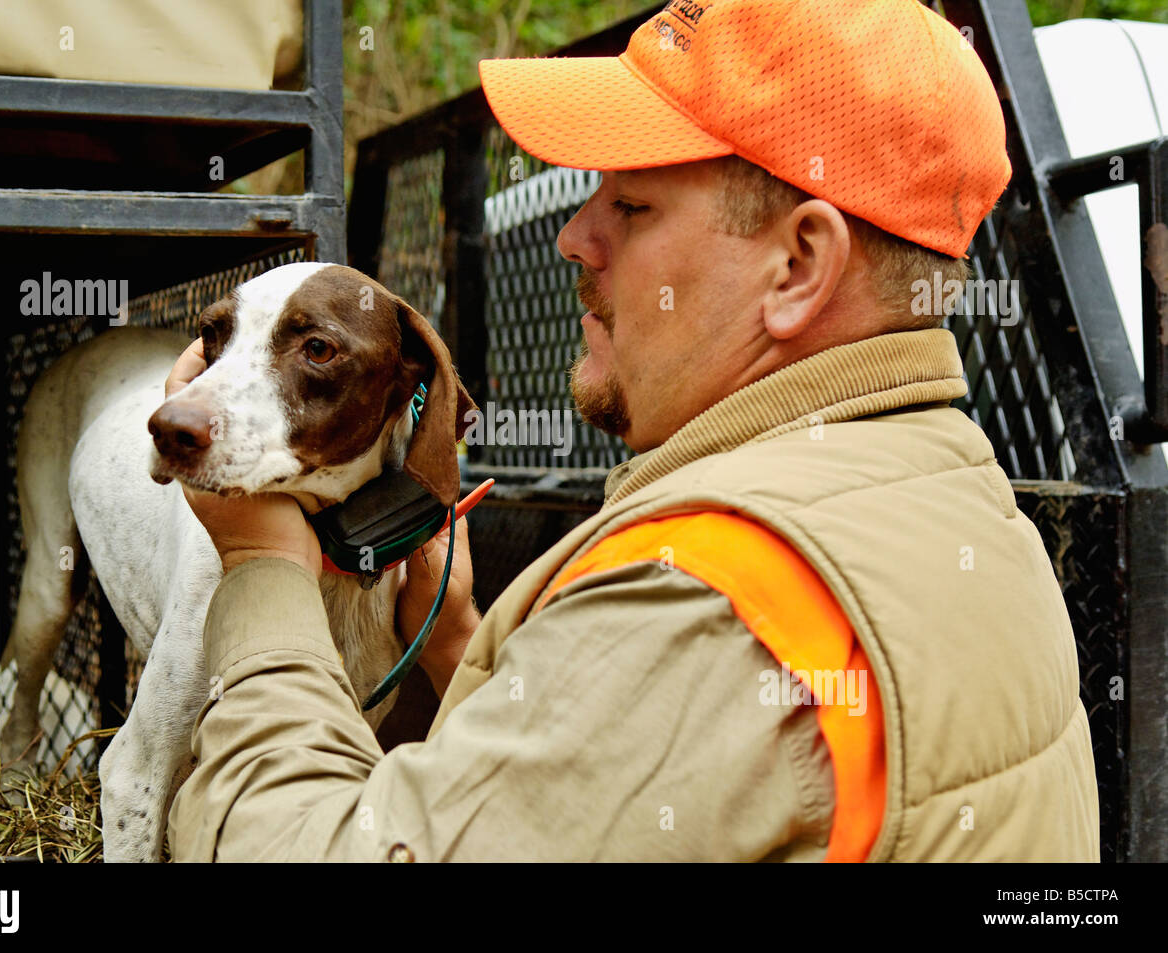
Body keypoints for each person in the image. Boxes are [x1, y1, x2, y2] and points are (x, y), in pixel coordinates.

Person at [165, 0, 1100, 861]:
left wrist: (262, 574)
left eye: (633, 205)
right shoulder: (968, 505)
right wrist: (460, 650)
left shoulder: (713, 593)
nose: (573, 237)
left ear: (801, 265)